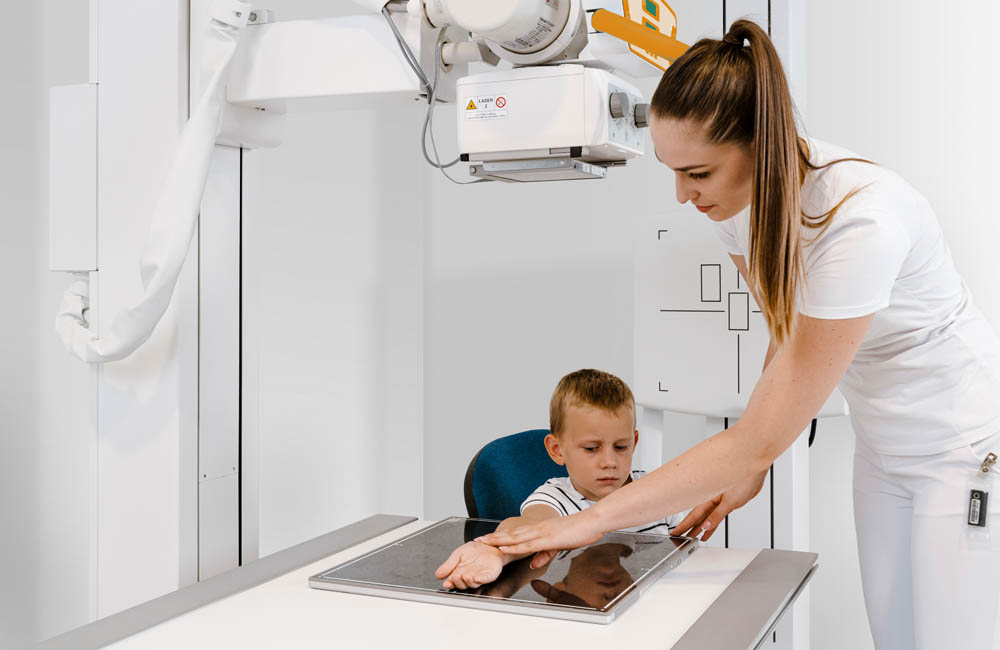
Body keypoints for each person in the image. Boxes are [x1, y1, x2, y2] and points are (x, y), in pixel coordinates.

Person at [478, 19, 1000, 650]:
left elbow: (757, 435)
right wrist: (756, 458)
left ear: (761, 146)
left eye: (697, 173)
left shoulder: (862, 222)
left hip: (960, 449)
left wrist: (583, 523)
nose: (683, 195)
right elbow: (787, 333)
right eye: (673, 172)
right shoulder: (741, 210)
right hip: (881, 446)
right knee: (894, 635)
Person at [435, 368, 685, 590]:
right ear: (557, 450)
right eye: (591, 448)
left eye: (621, 447)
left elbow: (687, 552)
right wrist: (495, 551)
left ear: (634, 442)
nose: (609, 461)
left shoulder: (657, 492)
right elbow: (530, 524)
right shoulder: (554, 497)